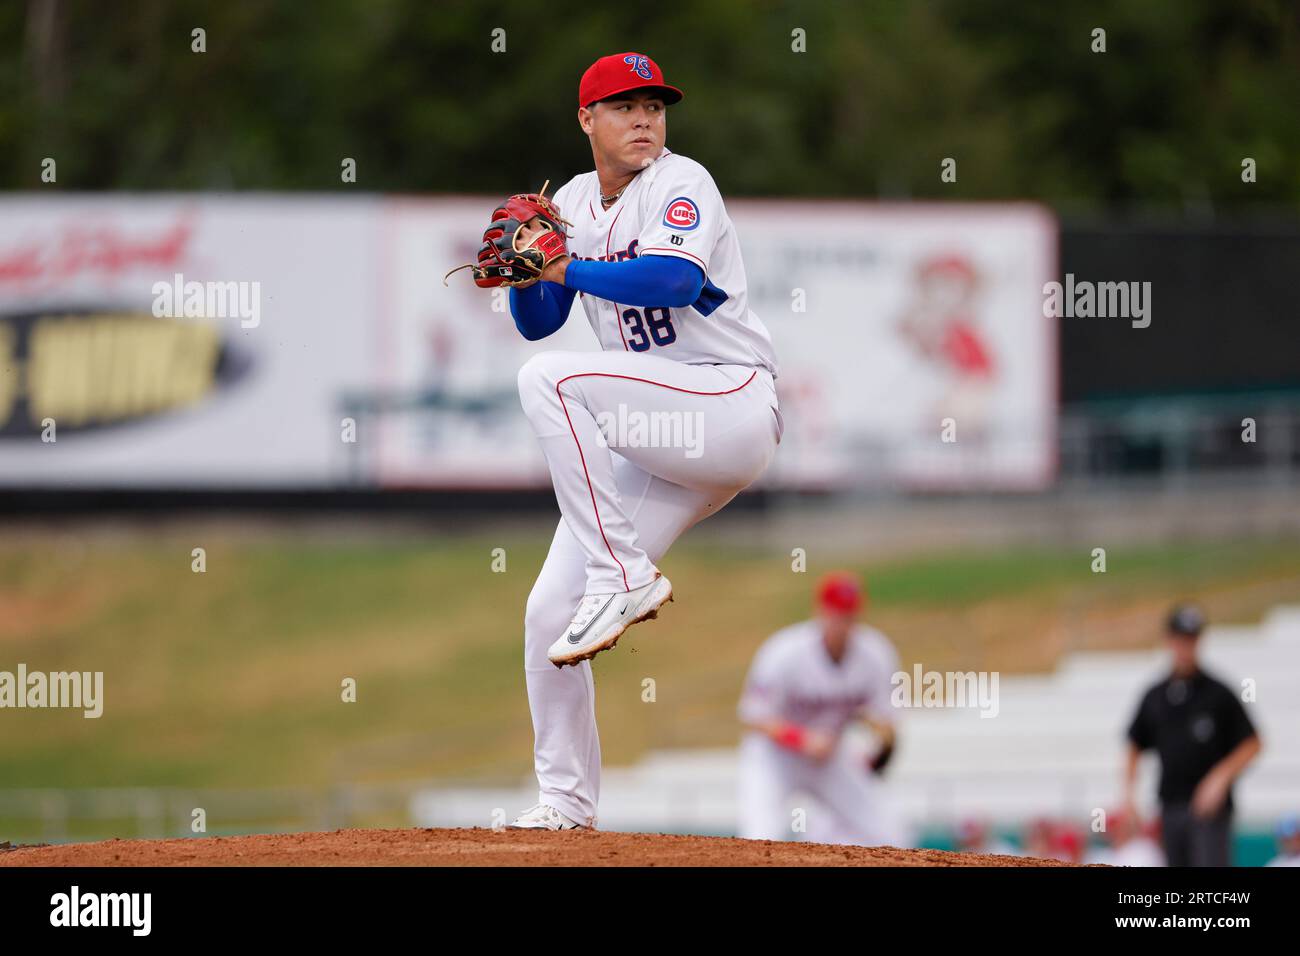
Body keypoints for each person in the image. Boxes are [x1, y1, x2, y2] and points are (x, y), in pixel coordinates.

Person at [504, 52, 782, 830]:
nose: (645, 120)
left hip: (726, 402)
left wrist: (567, 264)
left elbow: (673, 283)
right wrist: (535, 272)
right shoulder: (572, 206)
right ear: (587, 120)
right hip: (657, 437)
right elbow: (539, 322)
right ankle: (565, 805)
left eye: (654, 106)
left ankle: (624, 572)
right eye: (624, 107)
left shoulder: (682, 179)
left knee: (548, 382)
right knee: (548, 610)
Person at [735, 572, 905, 846]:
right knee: (759, 836)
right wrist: (802, 739)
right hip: (775, 758)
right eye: (837, 612)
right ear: (820, 611)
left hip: (831, 756)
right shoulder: (784, 651)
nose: (843, 622)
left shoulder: (875, 654)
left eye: (849, 613)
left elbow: (887, 721)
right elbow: (755, 716)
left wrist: (877, 753)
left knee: (889, 834)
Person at [1122, 604, 1263, 866]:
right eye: (1180, 639)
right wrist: (1129, 798)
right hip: (1170, 807)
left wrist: (1219, 778)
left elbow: (1252, 742)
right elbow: (1134, 744)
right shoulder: (1156, 696)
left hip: (1209, 813)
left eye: (1191, 639)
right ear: (1168, 640)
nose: (1185, 646)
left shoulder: (1217, 693)